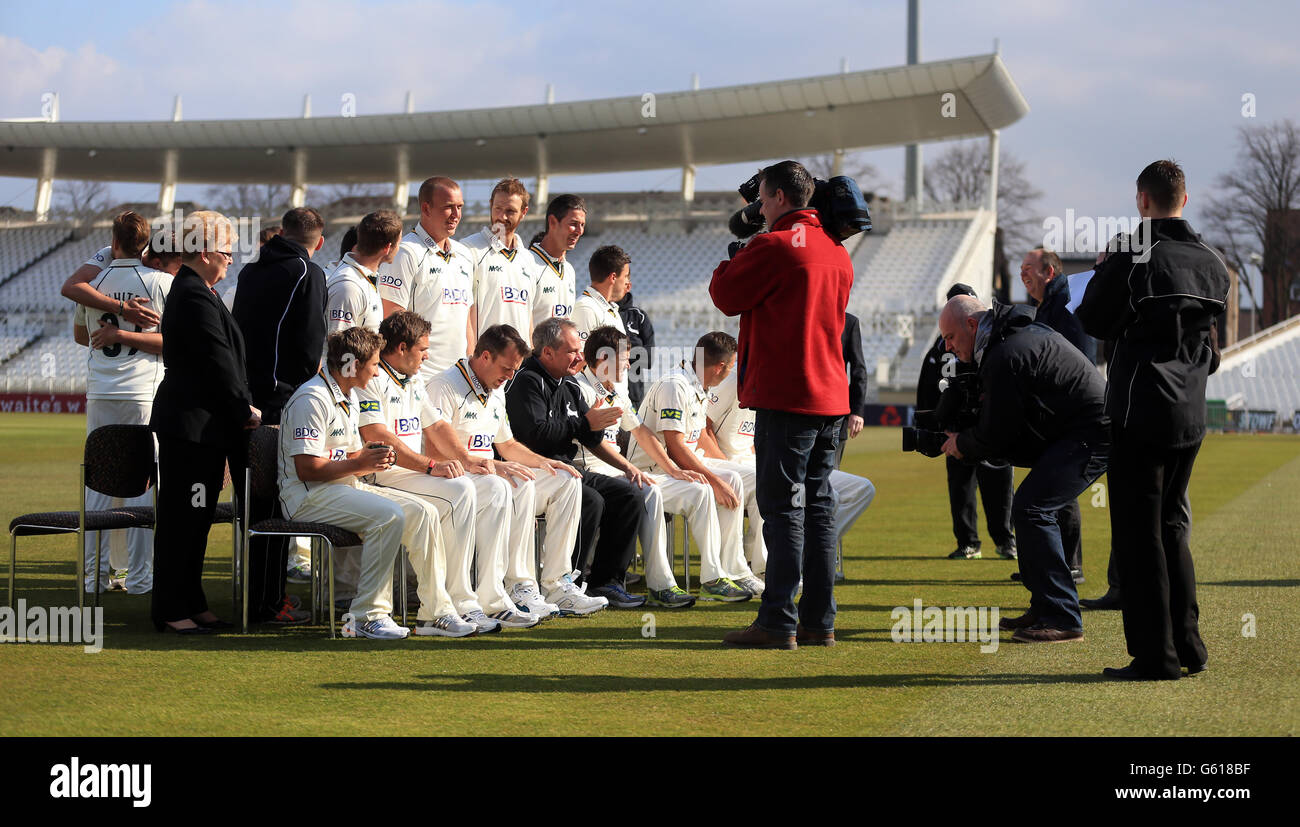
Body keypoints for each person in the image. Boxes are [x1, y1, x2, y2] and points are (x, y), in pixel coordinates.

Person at [1076, 159, 1228, 680]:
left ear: (1142, 200)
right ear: (1184, 199)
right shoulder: (1212, 258)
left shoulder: (1134, 250)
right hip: (1191, 412)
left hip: (1141, 407)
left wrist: (1106, 268)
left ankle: (1154, 656)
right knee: (1172, 528)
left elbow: (1093, 317)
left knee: (1140, 536)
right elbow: (1210, 344)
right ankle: (1189, 645)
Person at [711, 160, 853, 649]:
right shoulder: (838, 250)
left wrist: (736, 254)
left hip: (788, 396)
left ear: (775, 198)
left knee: (783, 509)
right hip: (831, 396)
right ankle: (819, 620)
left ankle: (777, 620)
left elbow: (725, 295)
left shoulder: (773, 245)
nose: (758, 208)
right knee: (818, 509)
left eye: (762, 199)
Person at [939, 296, 1109, 643]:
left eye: (951, 337)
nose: (947, 346)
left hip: (1091, 431)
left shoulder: (1005, 353)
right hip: (1081, 427)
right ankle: (1046, 606)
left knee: (1032, 508)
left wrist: (962, 444)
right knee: (1030, 506)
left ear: (972, 325)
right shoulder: (1010, 337)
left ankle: (1062, 616)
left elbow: (995, 433)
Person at [359, 311, 541, 632]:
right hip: (381, 475)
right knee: (461, 490)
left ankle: (491, 598)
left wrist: (467, 460)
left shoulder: (412, 380)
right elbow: (379, 438)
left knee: (495, 487)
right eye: (423, 350)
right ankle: (458, 600)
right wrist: (431, 465)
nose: (428, 356)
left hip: (410, 474)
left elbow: (438, 426)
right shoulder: (372, 379)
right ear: (402, 348)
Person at [427, 324, 597, 616]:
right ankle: (515, 587)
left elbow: (506, 445)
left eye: (514, 370)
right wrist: (493, 465)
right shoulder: (443, 385)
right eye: (506, 368)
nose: (509, 376)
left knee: (566, 479)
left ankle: (557, 584)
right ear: (484, 357)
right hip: (456, 477)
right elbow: (432, 450)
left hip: (489, 474)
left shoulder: (497, 388)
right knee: (515, 484)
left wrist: (544, 462)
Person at [149, 210, 259, 634]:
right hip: (192, 428)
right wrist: (242, 409)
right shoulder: (193, 294)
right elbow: (217, 361)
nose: (231, 260)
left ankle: (192, 603)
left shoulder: (201, 291)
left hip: (204, 430)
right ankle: (172, 608)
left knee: (196, 520)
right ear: (208, 252)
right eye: (228, 252)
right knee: (183, 520)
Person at [572, 325, 717, 609]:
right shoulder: (578, 387)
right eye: (625, 357)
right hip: (590, 471)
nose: (629, 363)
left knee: (697, 489)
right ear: (603, 358)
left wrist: (673, 470)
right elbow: (587, 443)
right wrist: (629, 468)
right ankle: (660, 585)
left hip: (617, 470)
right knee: (647, 490)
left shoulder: (614, 391)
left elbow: (641, 432)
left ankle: (716, 577)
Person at [505, 318, 646, 609]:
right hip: (536, 469)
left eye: (579, 350)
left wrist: (626, 467)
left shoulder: (568, 381)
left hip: (565, 468)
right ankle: (567, 584)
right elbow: (535, 435)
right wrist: (584, 423)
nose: (580, 357)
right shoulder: (527, 381)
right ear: (547, 353)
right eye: (572, 351)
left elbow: (590, 437)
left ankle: (605, 582)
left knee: (629, 494)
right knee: (590, 499)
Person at [231, 206, 329, 624]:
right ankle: (270, 604)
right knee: (277, 508)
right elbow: (310, 343)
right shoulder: (309, 273)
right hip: (282, 403)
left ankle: (253, 599)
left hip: (243, 400)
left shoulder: (251, 271)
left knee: (251, 508)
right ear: (318, 242)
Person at [72, 211, 174, 595]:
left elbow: (82, 336)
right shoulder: (162, 282)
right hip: (144, 393)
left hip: (101, 390)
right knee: (144, 485)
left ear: (113, 242)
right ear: (146, 245)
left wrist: (111, 332)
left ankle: (93, 578)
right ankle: (140, 580)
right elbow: (173, 342)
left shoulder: (92, 281)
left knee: (96, 486)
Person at [628, 332, 760, 600]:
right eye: (730, 367)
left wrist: (722, 474)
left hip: (676, 467)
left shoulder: (697, 387)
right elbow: (676, 447)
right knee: (704, 490)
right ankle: (712, 578)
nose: (730, 373)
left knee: (737, 479)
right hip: (653, 471)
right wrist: (715, 480)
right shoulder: (675, 386)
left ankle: (735, 571)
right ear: (719, 367)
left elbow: (693, 442)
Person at [705, 369, 875, 554]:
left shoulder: (788, 379)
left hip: (771, 461)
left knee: (861, 489)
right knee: (782, 488)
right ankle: (774, 559)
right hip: (736, 466)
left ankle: (804, 554)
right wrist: (727, 468)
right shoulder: (736, 377)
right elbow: (703, 428)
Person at [917, 283, 1017, 562]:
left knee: (998, 485)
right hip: (957, 428)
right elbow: (928, 385)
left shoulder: (990, 341)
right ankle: (968, 541)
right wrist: (937, 423)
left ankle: (1004, 539)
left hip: (988, 425)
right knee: (961, 488)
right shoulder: (942, 347)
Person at [1021, 247, 1096, 583]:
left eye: (1028, 268)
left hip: (1067, 406)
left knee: (1059, 489)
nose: (1022, 275)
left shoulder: (1065, 301)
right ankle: (1052, 561)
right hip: (1056, 404)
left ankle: (1071, 563)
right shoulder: (1052, 302)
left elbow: (1076, 354)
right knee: (1051, 486)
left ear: (1049, 272)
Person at [378, 175, 476, 383]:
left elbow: (466, 318)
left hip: (459, 376)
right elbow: (392, 316)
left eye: (460, 206)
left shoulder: (464, 255)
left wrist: (471, 364)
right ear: (426, 208)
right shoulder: (406, 252)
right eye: (448, 207)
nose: (456, 215)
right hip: (422, 377)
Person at [463, 178, 535, 342]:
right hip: (484, 360)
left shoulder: (528, 259)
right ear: (490, 205)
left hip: (519, 361)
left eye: (510, 211)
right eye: (498, 208)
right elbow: (461, 311)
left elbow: (528, 314)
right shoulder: (468, 249)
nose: (502, 216)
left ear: (524, 212)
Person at [524, 194, 586, 326]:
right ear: (552, 222)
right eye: (573, 224)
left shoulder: (569, 270)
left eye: (582, 225)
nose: (579, 231)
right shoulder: (526, 263)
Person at [572, 245, 630, 341]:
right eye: (626, 276)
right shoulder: (586, 309)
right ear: (613, 277)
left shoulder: (612, 310)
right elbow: (581, 355)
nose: (627, 282)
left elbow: (623, 354)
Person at [616, 290, 655, 409]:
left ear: (628, 286)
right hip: (606, 391)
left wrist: (619, 350)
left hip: (633, 394)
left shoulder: (639, 316)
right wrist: (637, 347)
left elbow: (648, 359)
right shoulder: (599, 313)